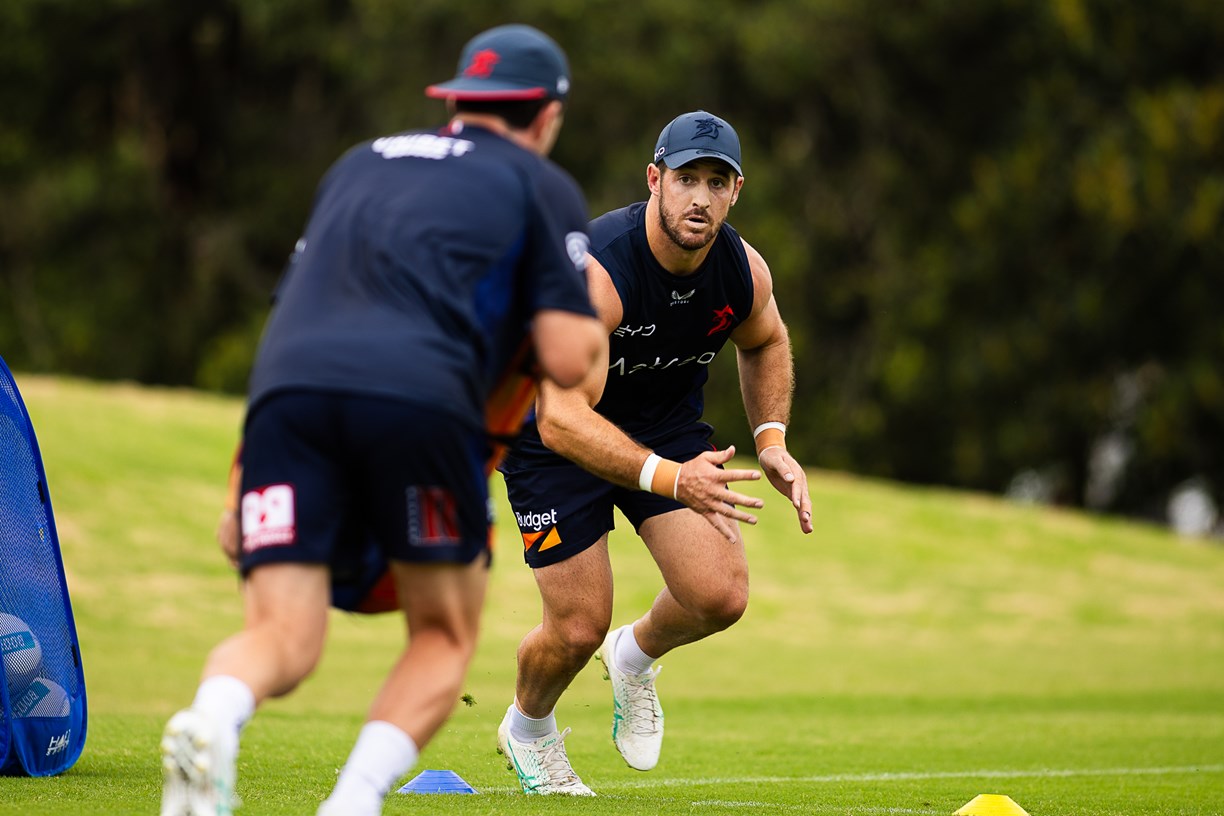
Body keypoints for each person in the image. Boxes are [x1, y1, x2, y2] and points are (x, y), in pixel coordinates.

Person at [159, 24, 603, 816]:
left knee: (282, 636)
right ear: (545, 117)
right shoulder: (539, 184)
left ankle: (212, 719)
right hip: (420, 402)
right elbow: (570, 360)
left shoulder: (359, 162)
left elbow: (292, 319)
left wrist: (240, 483)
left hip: (285, 398)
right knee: (442, 633)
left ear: (459, 99)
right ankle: (354, 801)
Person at [494, 110, 813, 795]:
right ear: (654, 180)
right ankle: (527, 730)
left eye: (716, 182)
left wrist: (772, 441)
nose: (699, 196)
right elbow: (561, 418)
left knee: (719, 595)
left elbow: (767, 342)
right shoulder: (600, 273)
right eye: (686, 178)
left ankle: (634, 657)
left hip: (663, 427)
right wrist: (672, 480)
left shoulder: (741, 271)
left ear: (737, 192)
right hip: (554, 434)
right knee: (578, 625)